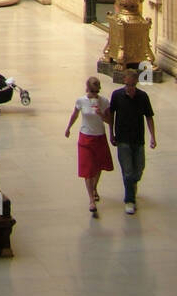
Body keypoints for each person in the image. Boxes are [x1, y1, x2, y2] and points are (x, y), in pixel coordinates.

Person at [108, 66, 157, 215]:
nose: (130, 88)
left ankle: (132, 185)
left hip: (138, 139)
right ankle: (130, 200)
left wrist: (153, 137)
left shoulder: (143, 97)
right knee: (128, 171)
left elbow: (149, 117)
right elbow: (111, 116)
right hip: (123, 139)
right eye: (128, 85)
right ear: (124, 81)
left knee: (139, 169)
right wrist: (111, 134)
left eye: (133, 85)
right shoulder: (116, 95)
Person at [65, 76, 113, 217]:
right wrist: (68, 128)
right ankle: (91, 199)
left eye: (95, 91)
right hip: (85, 136)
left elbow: (110, 120)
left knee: (98, 167)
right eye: (91, 91)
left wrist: (101, 115)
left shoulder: (104, 101)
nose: (93, 94)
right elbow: (75, 115)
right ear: (87, 89)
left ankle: (94, 188)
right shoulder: (81, 101)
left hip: (99, 136)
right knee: (88, 169)